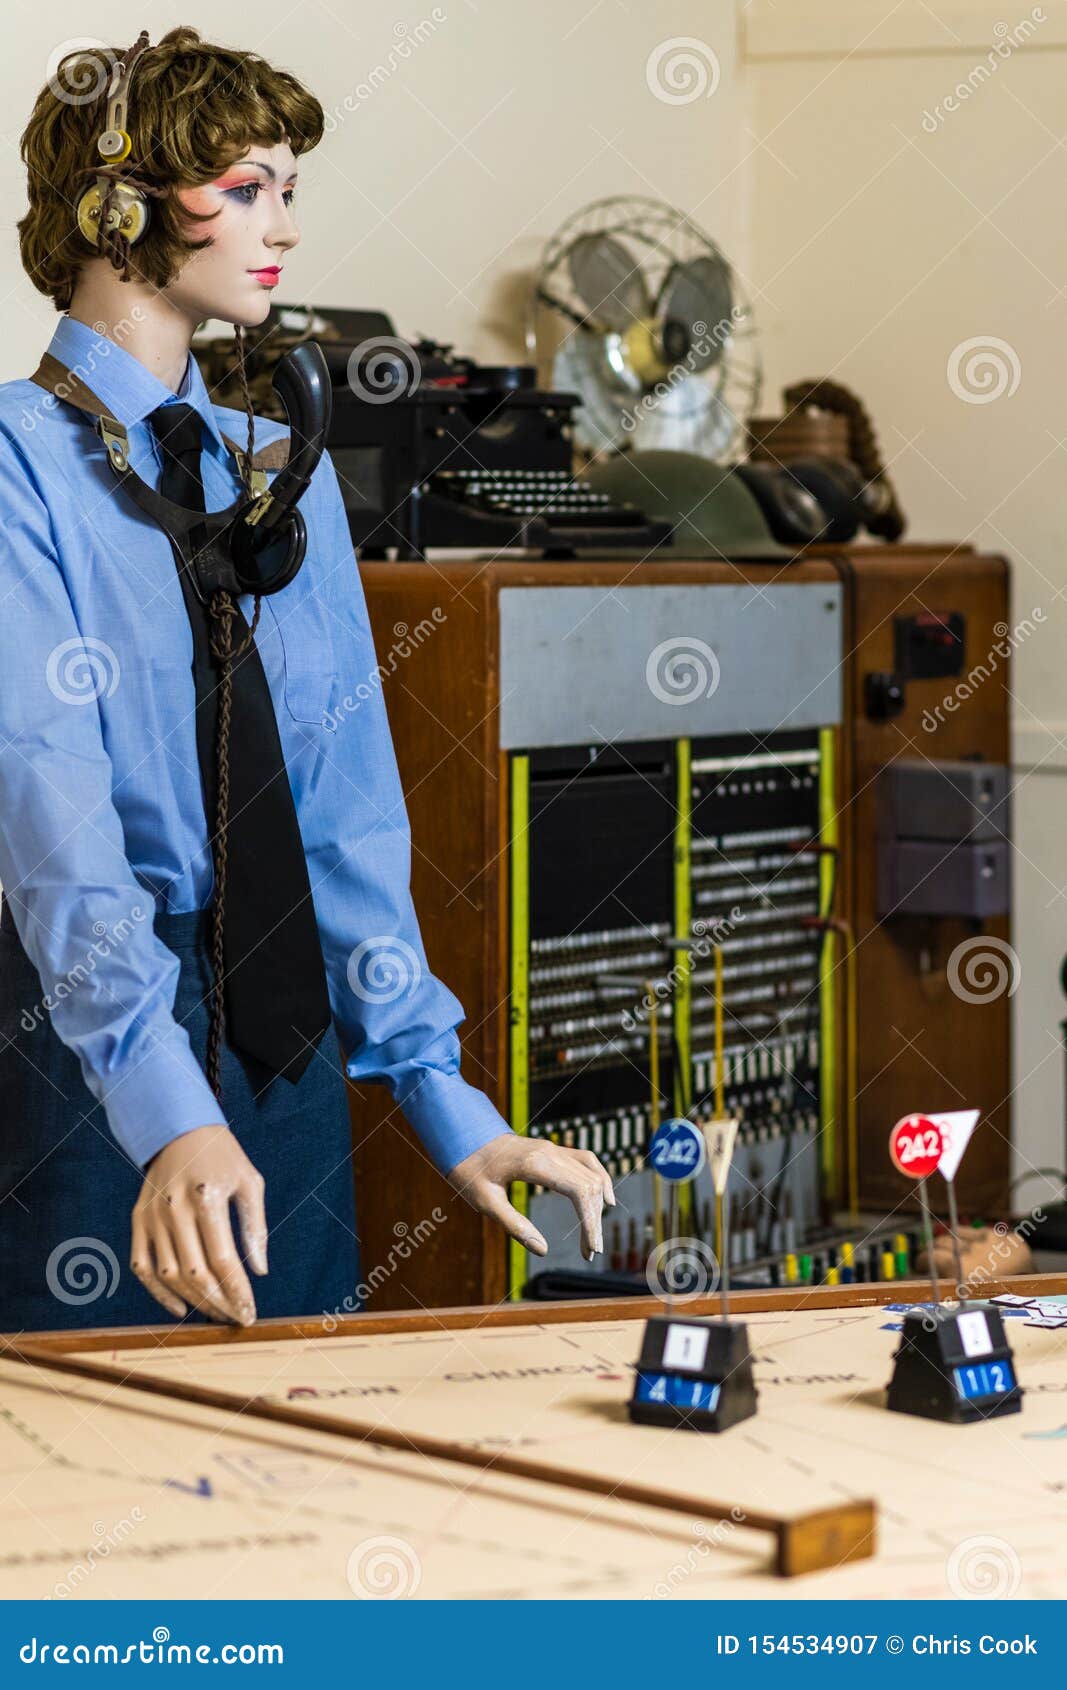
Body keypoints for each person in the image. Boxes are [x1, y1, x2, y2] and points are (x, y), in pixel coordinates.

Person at [0, 27, 613, 1334]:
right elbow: (51, 818)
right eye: (243, 188)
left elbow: (342, 806)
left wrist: (445, 1099)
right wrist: (165, 1111)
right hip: (85, 1043)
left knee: (300, 1459)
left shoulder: (281, 466)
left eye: (290, 189)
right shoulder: (14, 470)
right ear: (117, 209)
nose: (278, 226)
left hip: (288, 1052)